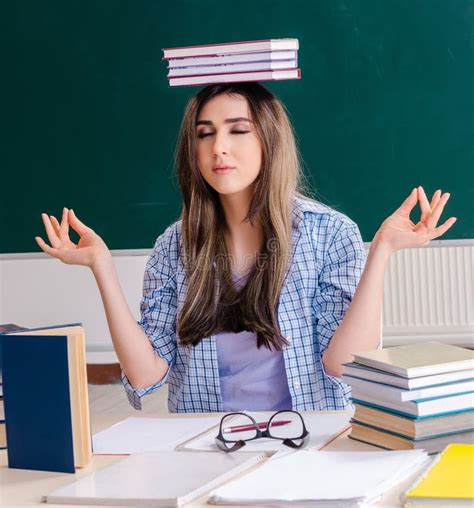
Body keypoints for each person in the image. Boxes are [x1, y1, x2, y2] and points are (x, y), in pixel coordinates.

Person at [35, 83, 456, 413]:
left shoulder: (329, 233)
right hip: (205, 442)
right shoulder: (173, 246)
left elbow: (343, 366)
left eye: (238, 130)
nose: (219, 146)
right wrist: (101, 267)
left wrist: (381, 250)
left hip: (309, 440)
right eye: (205, 134)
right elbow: (147, 374)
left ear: (269, 141)